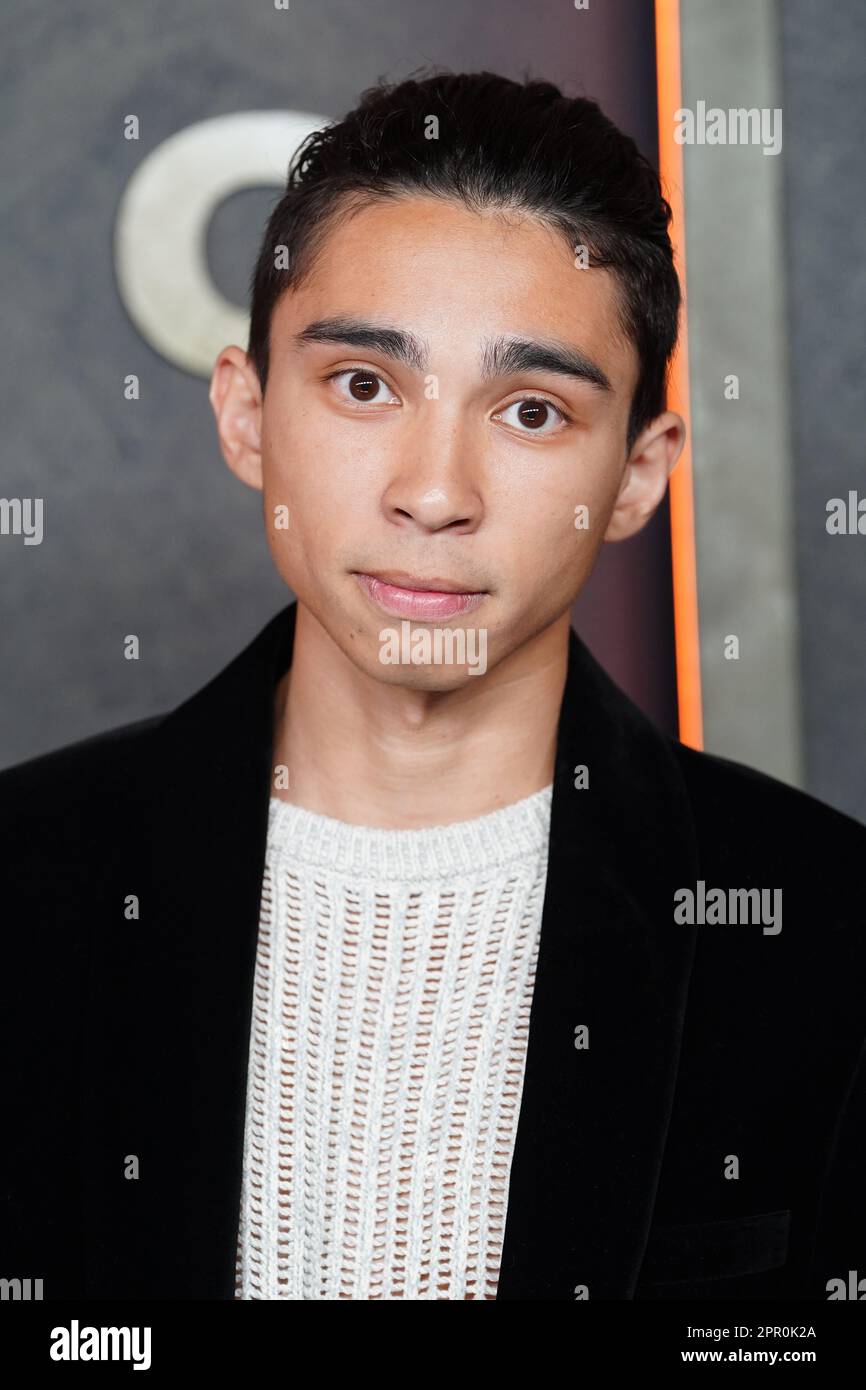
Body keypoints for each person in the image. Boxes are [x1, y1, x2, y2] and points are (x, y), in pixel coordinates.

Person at [2, 70, 865, 1303]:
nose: (433, 490)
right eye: (363, 385)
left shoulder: (827, 930)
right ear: (247, 415)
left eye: (527, 410)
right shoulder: (27, 883)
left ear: (635, 472)